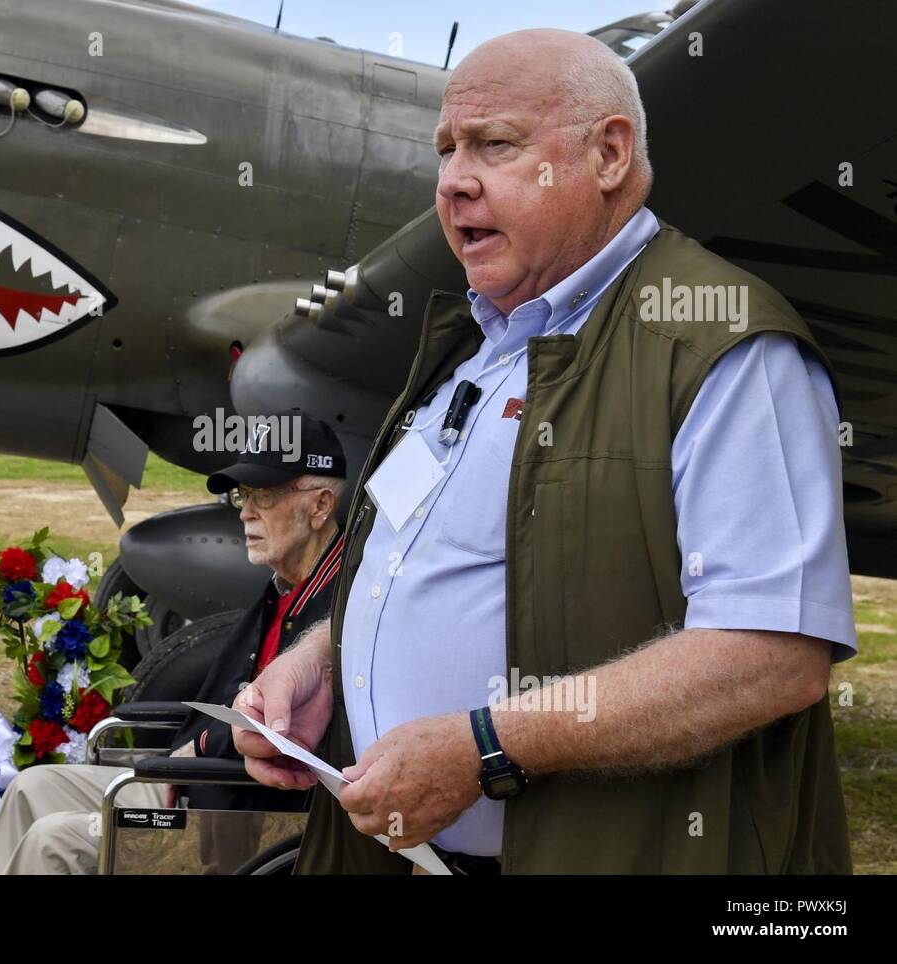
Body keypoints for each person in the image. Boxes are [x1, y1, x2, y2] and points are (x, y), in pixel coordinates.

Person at [234, 29, 857, 875]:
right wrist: (320, 663)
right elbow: (423, 569)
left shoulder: (726, 347)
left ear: (608, 153)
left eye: (495, 144)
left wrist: (488, 747)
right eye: (446, 149)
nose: (454, 179)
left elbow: (773, 656)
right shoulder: (465, 343)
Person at [0, 413, 346, 874]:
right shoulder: (282, 589)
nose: (246, 511)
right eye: (243, 496)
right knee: (31, 786)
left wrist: (200, 749)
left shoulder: (340, 611)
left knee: (54, 841)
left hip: (236, 818)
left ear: (320, 505)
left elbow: (292, 735)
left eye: (263, 496)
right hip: (188, 781)